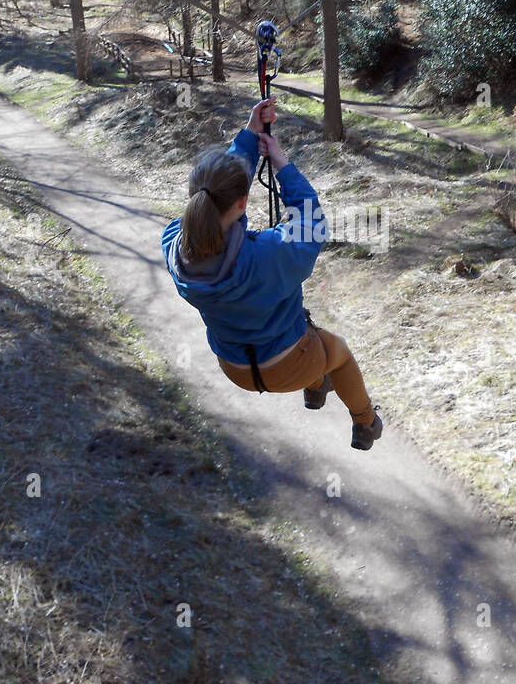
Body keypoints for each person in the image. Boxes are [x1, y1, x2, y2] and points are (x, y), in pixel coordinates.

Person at [162, 97, 384, 450]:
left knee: (308, 338)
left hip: (234, 366)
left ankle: (315, 389)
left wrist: (250, 137)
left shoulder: (175, 246)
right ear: (242, 203)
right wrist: (282, 164)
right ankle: (366, 423)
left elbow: (218, 194)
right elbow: (312, 224)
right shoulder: (269, 255)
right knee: (337, 351)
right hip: (288, 365)